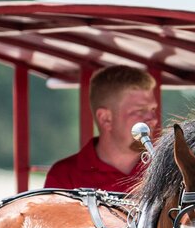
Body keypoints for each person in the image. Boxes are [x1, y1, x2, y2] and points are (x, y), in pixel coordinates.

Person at [41, 64, 159, 192]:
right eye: (140, 111)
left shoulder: (166, 172)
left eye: (153, 109)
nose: (153, 119)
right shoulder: (65, 177)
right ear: (105, 118)